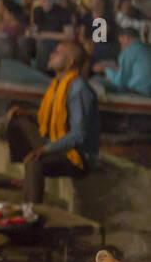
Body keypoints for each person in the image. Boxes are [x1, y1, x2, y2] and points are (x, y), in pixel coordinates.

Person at [7, 41, 100, 206]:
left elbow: (78, 135)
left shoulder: (79, 89)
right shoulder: (57, 84)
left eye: (57, 53)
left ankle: (31, 212)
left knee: (35, 163)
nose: (51, 55)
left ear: (69, 62)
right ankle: (28, 178)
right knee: (18, 120)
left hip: (76, 157)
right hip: (56, 142)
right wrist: (28, 114)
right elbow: (54, 119)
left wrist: (45, 150)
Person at [93, 26, 151, 96]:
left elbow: (120, 81)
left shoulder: (129, 51)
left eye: (121, 42)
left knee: (96, 80)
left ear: (126, 38)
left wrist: (104, 69)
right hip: (147, 90)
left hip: (137, 92)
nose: (121, 46)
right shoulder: (147, 48)